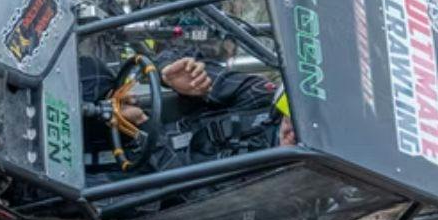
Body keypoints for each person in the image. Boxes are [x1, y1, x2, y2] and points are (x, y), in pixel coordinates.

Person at [81, 54, 291, 176]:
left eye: (303, 136)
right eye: (294, 120)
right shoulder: (261, 96)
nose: (293, 132)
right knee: (92, 72)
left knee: (114, 197)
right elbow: (196, 70)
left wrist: (144, 130)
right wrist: (169, 74)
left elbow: (193, 203)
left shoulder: (284, 185)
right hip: (140, 132)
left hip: (157, 188)